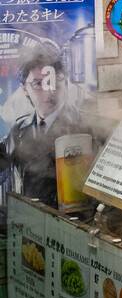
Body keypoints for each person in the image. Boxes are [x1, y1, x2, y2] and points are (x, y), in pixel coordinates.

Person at [2, 46, 83, 204]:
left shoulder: (86, 127)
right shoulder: (19, 129)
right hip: (30, 219)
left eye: (54, 82)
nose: (48, 92)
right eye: (38, 84)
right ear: (25, 89)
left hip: (72, 222)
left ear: (65, 83)